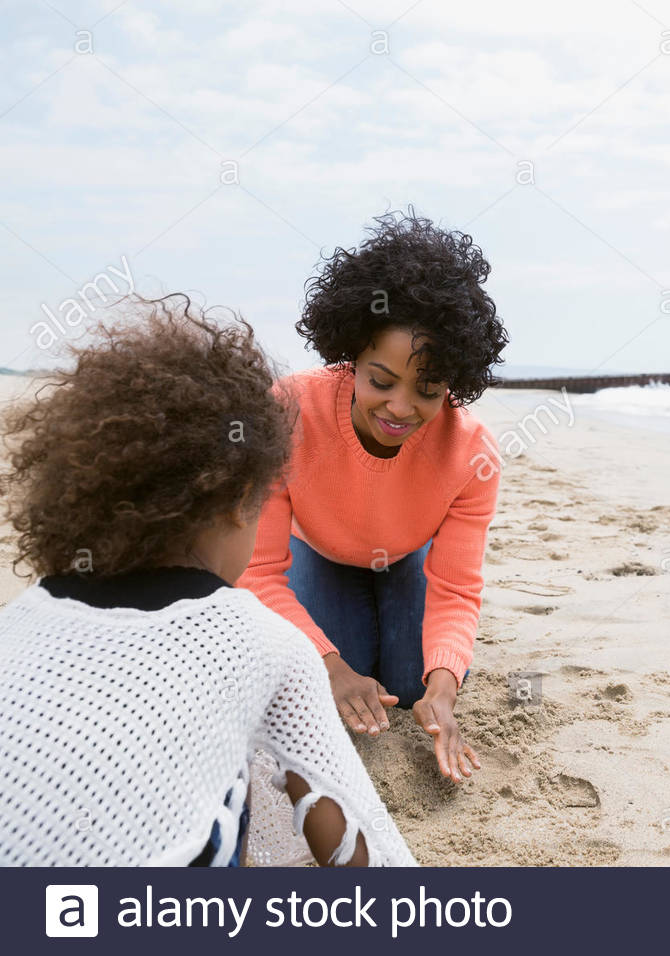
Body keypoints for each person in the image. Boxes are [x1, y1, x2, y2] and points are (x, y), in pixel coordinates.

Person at [0, 295, 416, 866]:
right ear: (240, 500)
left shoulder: (16, 621)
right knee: (266, 756)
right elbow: (364, 857)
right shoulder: (265, 641)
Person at [237, 209, 508, 784]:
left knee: (411, 688)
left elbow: (457, 588)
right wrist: (330, 666)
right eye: (381, 381)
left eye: (428, 391)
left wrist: (444, 689)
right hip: (319, 553)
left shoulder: (473, 453)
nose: (401, 408)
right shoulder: (288, 411)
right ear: (352, 355)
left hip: (408, 558)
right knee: (339, 680)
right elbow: (257, 573)